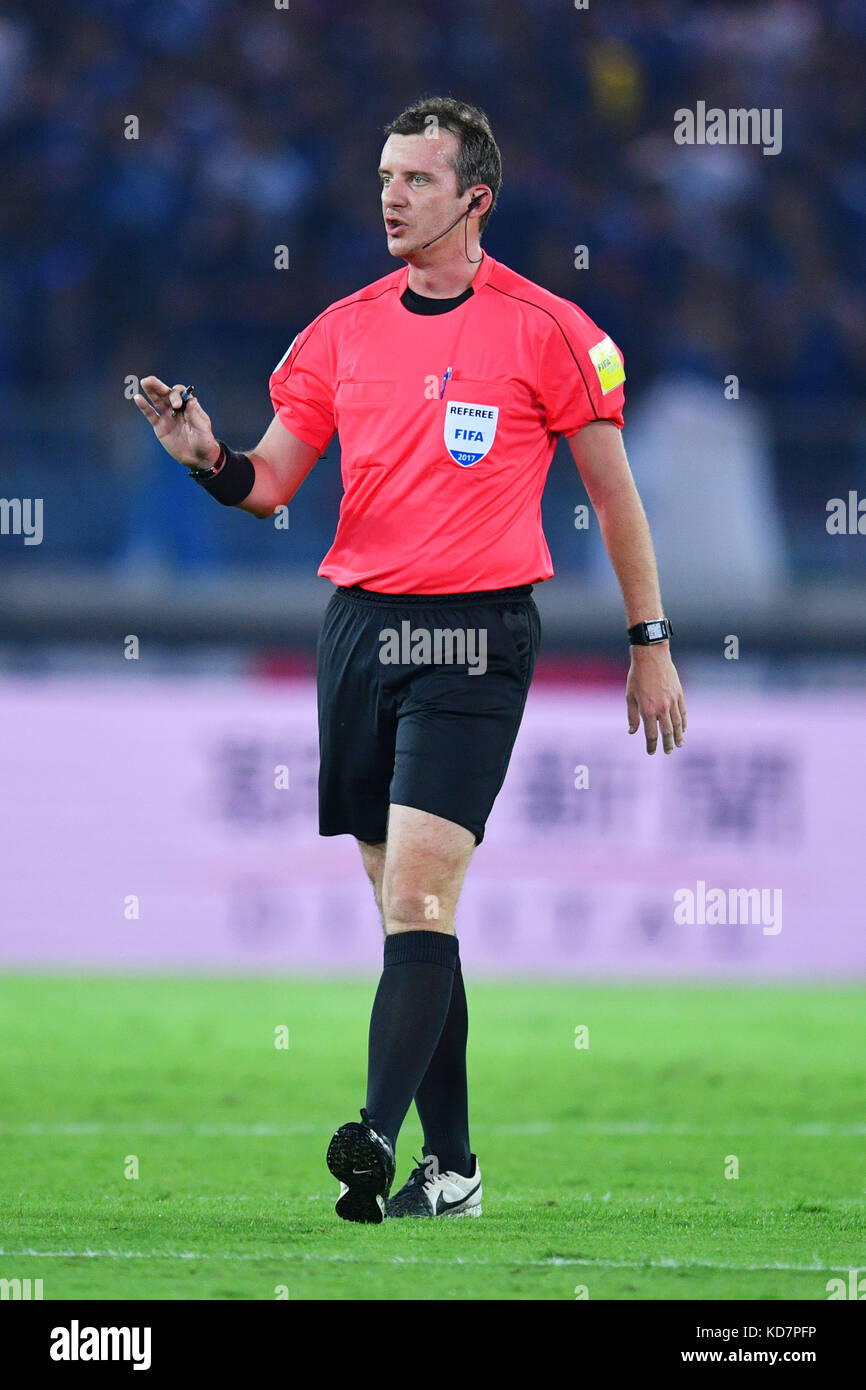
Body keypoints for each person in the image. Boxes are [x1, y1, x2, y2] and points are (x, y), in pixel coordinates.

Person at [134, 97, 686, 1224]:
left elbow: (611, 493)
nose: (390, 195)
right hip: (359, 631)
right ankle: (457, 1170)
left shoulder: (548, 331)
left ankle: (374, 1138)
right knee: (410, 914)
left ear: (474, 199)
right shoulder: (338, 330)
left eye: (417, 180)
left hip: (476, 635)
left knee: (423, 887)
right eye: (385, 175)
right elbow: (271, 481)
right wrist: (205, 456)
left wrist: (648, 641)